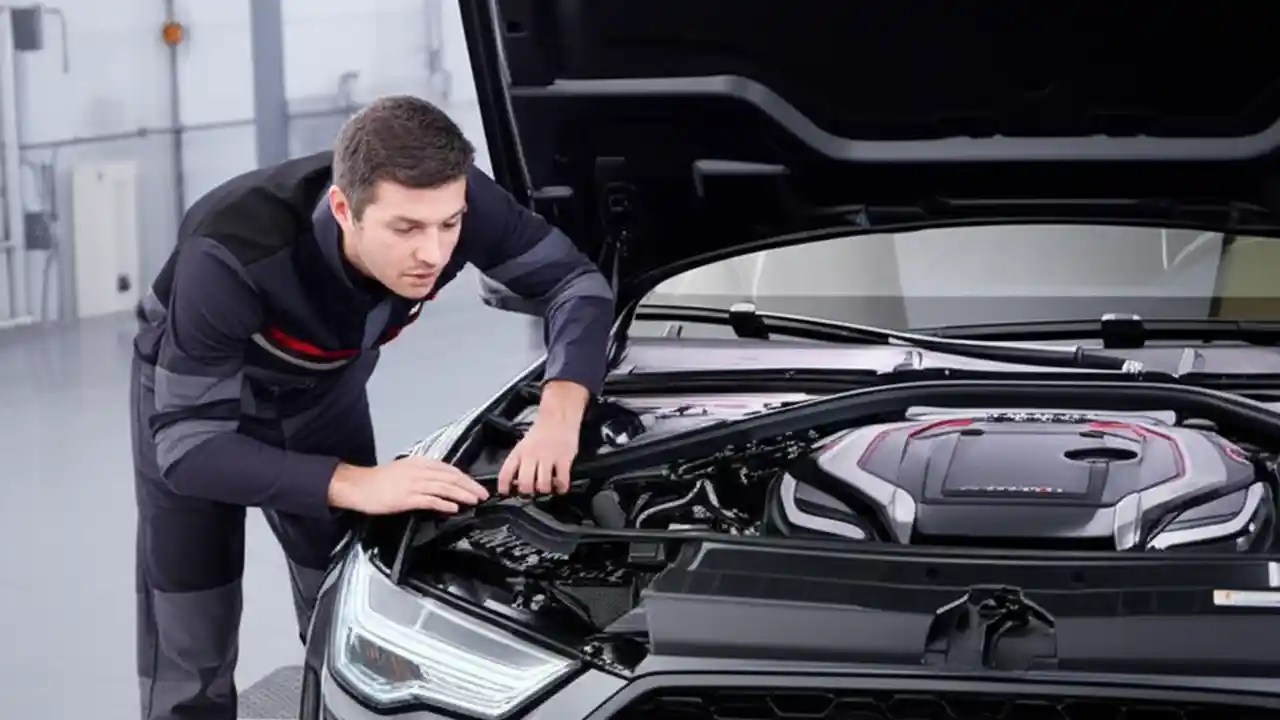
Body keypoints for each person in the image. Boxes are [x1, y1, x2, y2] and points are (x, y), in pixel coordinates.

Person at [128, 95, 614, 719]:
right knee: (191, 637)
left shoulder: (455, 202)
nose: (435, 255)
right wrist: (356, 483)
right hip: (195, 408)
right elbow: (189, 448)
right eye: (405, 229)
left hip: (324, 394)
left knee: (345, 610)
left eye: (449, 225)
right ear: (343, 208)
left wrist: (558, 413)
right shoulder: (229, 252)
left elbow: (575, 283)